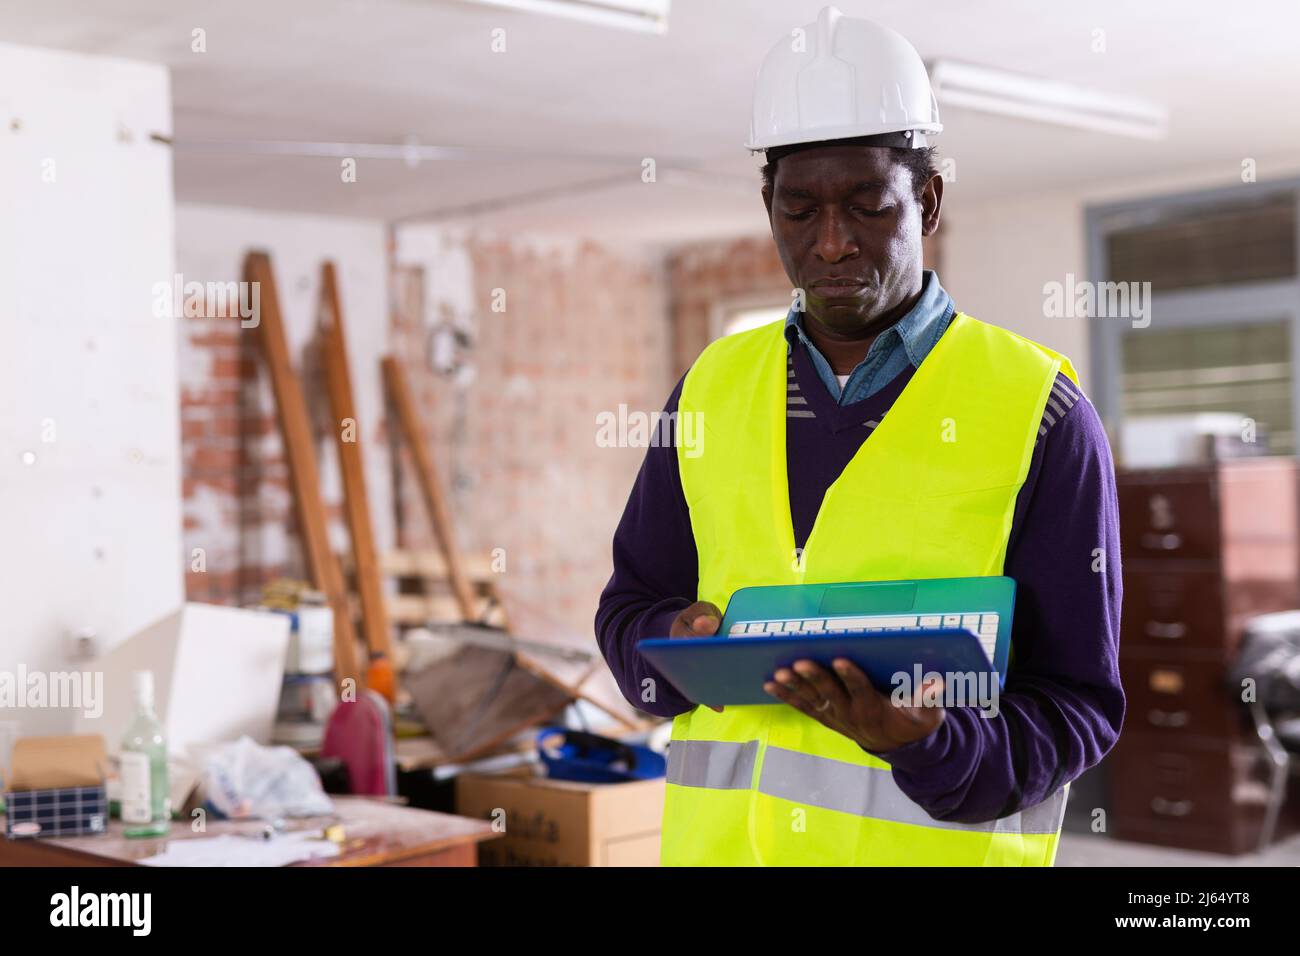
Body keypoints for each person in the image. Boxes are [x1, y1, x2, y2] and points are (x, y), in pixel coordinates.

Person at [595, 6, 1124, 866]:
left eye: (870, 206)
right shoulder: (709, 388)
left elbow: (1079, 703)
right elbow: (629, 610)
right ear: (767, 205)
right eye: (798, 212)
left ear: (930, 199)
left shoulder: (1040, 411)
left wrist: (932, 743)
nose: (832, 243)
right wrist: (673, 646)